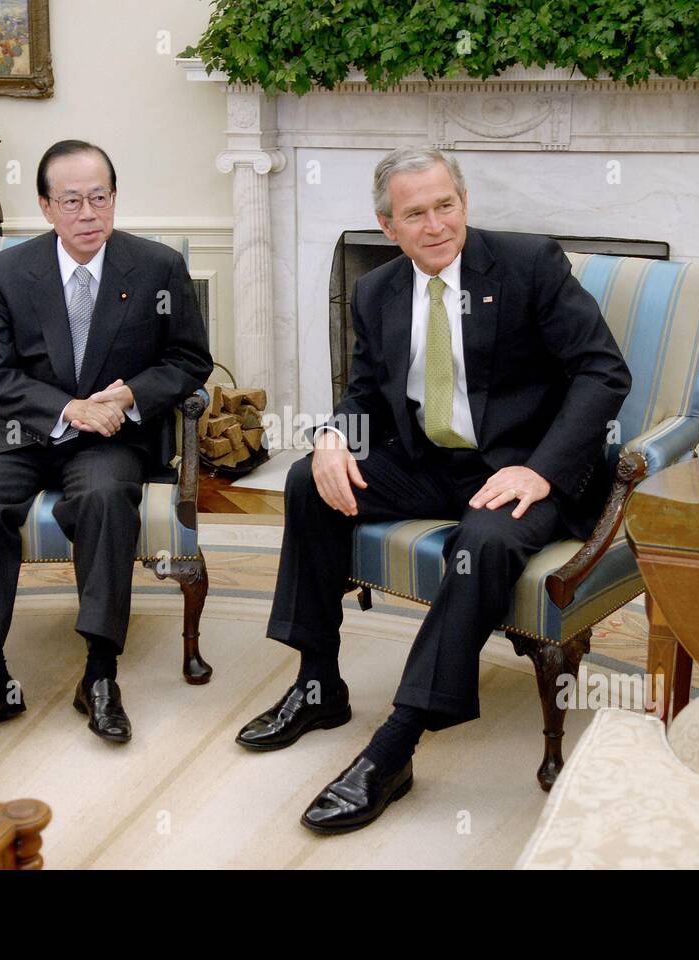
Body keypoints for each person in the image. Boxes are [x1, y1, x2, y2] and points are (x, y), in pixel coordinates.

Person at [236, 146, 631, 833]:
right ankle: (318, 682)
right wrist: (335, 436)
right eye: (416, 213)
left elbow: (602, 373)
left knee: (480, 541)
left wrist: (541, 470)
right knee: (308, 480)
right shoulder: (376, 291)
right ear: (388, 226)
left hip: (524, 472)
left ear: (464, 203)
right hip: (432, 464)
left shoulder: (530, 264)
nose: (436, 223)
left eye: (446, 205)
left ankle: (395, 746)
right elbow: (364, 394)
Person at [0, 140, 213, 744]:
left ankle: (101, 675)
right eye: (73, 201)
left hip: (112, 434)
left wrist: (129, 396)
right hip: (25, 429)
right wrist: (68, 408)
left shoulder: (157, 267)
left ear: (115, 199)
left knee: (106, 500)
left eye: (100, 198)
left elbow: (190, 360)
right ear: (46, 206)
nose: (89, 213)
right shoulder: (9, 271)